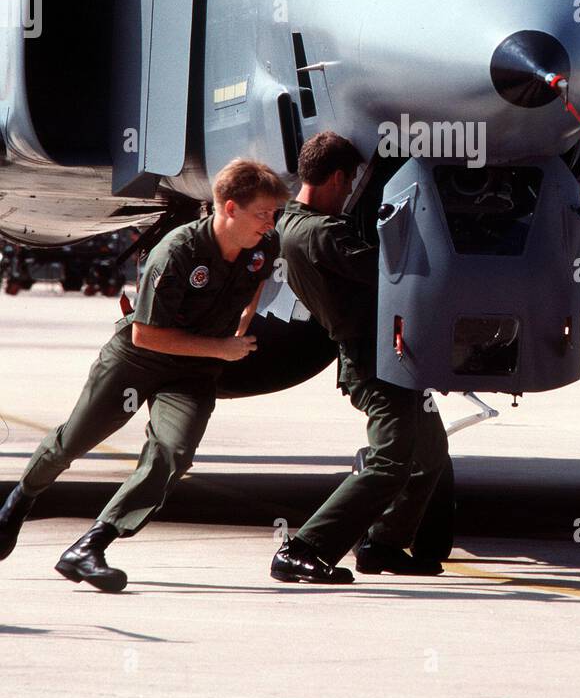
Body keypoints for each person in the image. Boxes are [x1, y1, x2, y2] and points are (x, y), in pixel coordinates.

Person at [0, 159, 286, 591]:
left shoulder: (264, 246)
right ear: (229, 208)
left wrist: (240, 328)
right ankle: (18, 504)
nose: (270, 223)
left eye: (274, 215)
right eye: (263, 213)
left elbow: (258, 280)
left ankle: (92, 544)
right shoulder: (176, 253)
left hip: (194, 370)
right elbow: (147, 335)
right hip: (139, 358)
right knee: (72, 442)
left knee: (173, 453)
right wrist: (222, 348)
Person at [272, 130, 449, 585]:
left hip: (390, 357)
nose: (349, 193)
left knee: (429, 453)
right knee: (392, 459)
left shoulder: (288, 223)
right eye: (348, 184)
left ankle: (384, 543)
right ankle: (304, 547)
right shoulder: (324, 233)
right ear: (334, 177)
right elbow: (392, 274)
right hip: (375, 361)